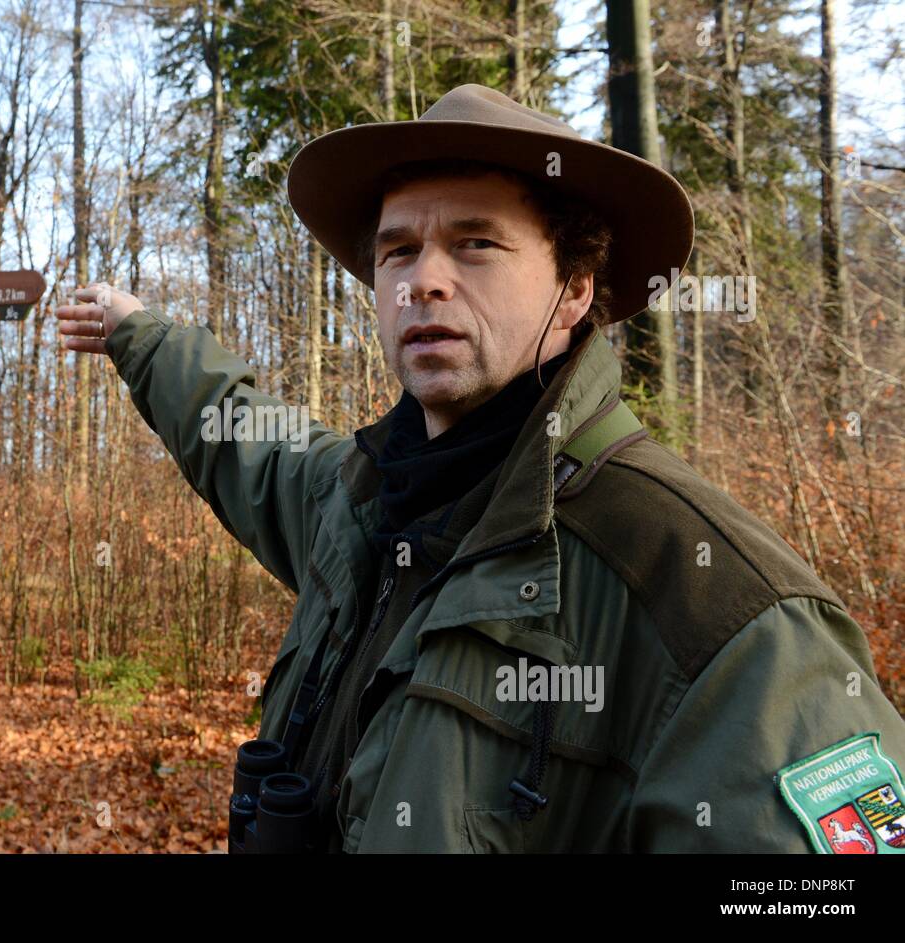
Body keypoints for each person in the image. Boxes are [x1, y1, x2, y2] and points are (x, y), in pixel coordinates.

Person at [57, 84, 905, 853]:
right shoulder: (354, 503)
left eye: (475, 245)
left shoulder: (714, 604)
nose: (424, 281)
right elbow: (239, 437)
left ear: (575, 289)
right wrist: (140, 333)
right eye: (397, 252)